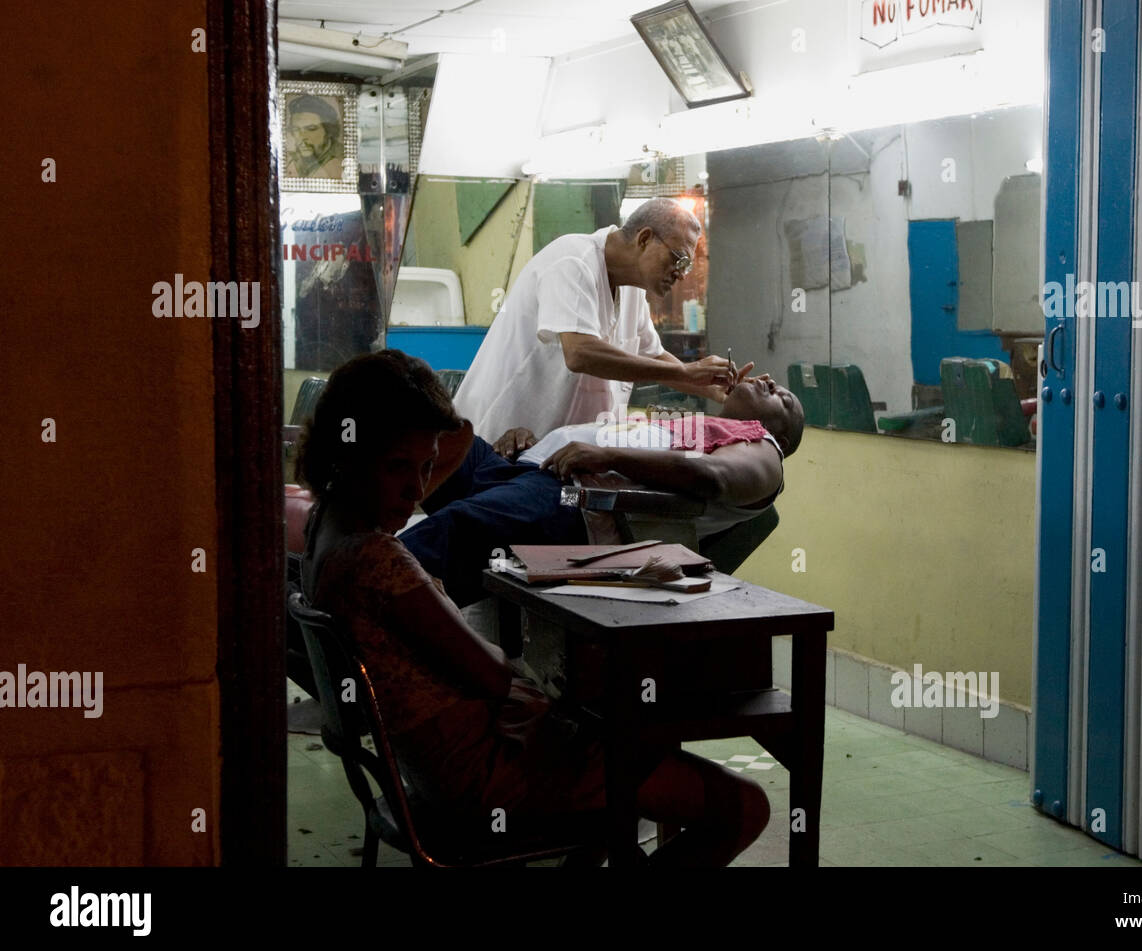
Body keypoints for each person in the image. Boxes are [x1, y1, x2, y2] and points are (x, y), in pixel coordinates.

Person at [296, 349, 769, 866]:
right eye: (396, 467)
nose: (415, 490)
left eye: (427, 467)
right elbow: (492, 674)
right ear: (348, 453)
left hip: (440, 767)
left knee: (607, 737)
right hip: (491, 779)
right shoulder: (377, 561)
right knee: (743, 805)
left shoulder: (325, 531)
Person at [399, 371, 804, 609]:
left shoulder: (764, 451)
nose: (770, 381)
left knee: (456, 529)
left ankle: (351, 594)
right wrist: (533, 441)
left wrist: (607, 456)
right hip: (525, 472)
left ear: (781, 439)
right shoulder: (695, 427)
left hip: (573, 499)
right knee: (427, 419)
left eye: (785, 400)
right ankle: (349, 522)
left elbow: (715, 477)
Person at [451, 198, 755, 455]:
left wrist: (712, 387)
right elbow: (580, 353)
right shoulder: (573, 261)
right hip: (490, 444)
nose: (681, 275)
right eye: (678, 260)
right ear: (645, 238)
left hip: (543, 455)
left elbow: (653, 357)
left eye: (686, 266)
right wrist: (685, 372)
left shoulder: (633, 292)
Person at [286, 94, 344, 180]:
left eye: (311, 129)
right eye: (296, 129)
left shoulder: (342, 161)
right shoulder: (290, 160)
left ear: (328, 131)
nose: (302, 137)